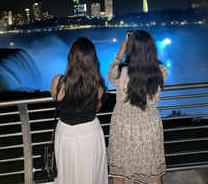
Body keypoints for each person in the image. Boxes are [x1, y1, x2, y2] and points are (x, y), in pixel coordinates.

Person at [107, 30, 167, 184]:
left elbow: (111, 71)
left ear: (130, 49)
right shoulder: (161, 72)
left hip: (123, 128)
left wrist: (121, 50)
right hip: (149, 128)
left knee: (119, 175)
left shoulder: (120, 73)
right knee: (154, 175)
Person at [51, 37, 108, 184]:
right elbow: (97, 108)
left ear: (71, 57)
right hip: (90, 132)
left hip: (65, 133)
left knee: (66, 172)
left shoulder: (59, 82)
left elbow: (57, 100)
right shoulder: (98, 85)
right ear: (93, 59)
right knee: (91, 174)